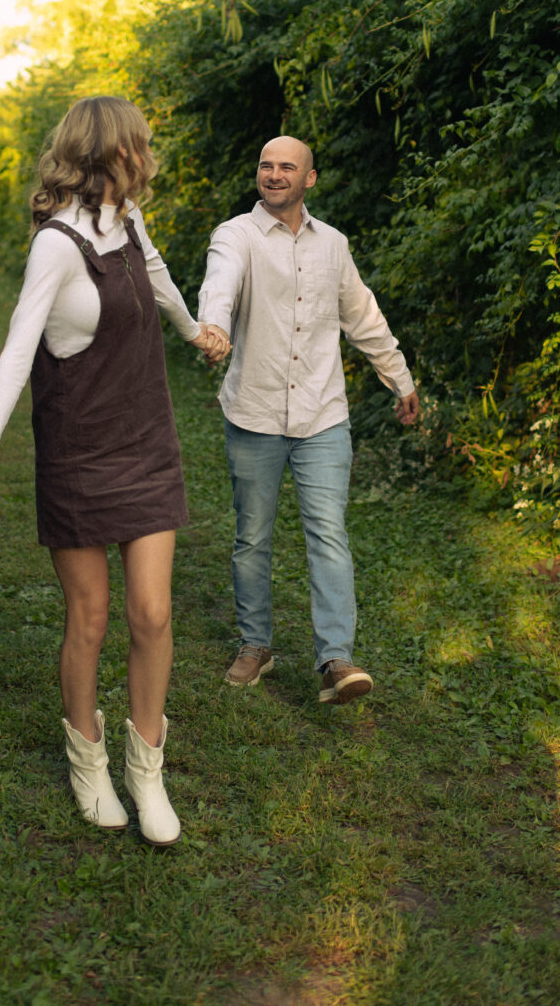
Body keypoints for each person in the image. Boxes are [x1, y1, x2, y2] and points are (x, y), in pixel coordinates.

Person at [0, 96, 227, 845]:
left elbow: (160, 274)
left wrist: (192, 329)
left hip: (147, 440)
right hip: (79, 451)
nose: (149, 155)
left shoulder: (129, 220)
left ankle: (147, 769)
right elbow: (19, 349)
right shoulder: (55, 245)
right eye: (141, 145)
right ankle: (87, 758)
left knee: (153, 614)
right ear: (115, 152)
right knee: (92, 617)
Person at [198, 135, 419, 705]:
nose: (274, 175)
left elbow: (362, 315)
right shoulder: (236, 236)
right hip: (255, 411)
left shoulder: (334, 246)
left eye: (286, 167)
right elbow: (218, 286)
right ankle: (256, 646)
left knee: (330, 535)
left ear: (309, 179)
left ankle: (336, 660)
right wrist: (214, 326)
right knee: (252, 537)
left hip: (323, 414)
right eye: (266, 165)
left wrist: (400, 377)